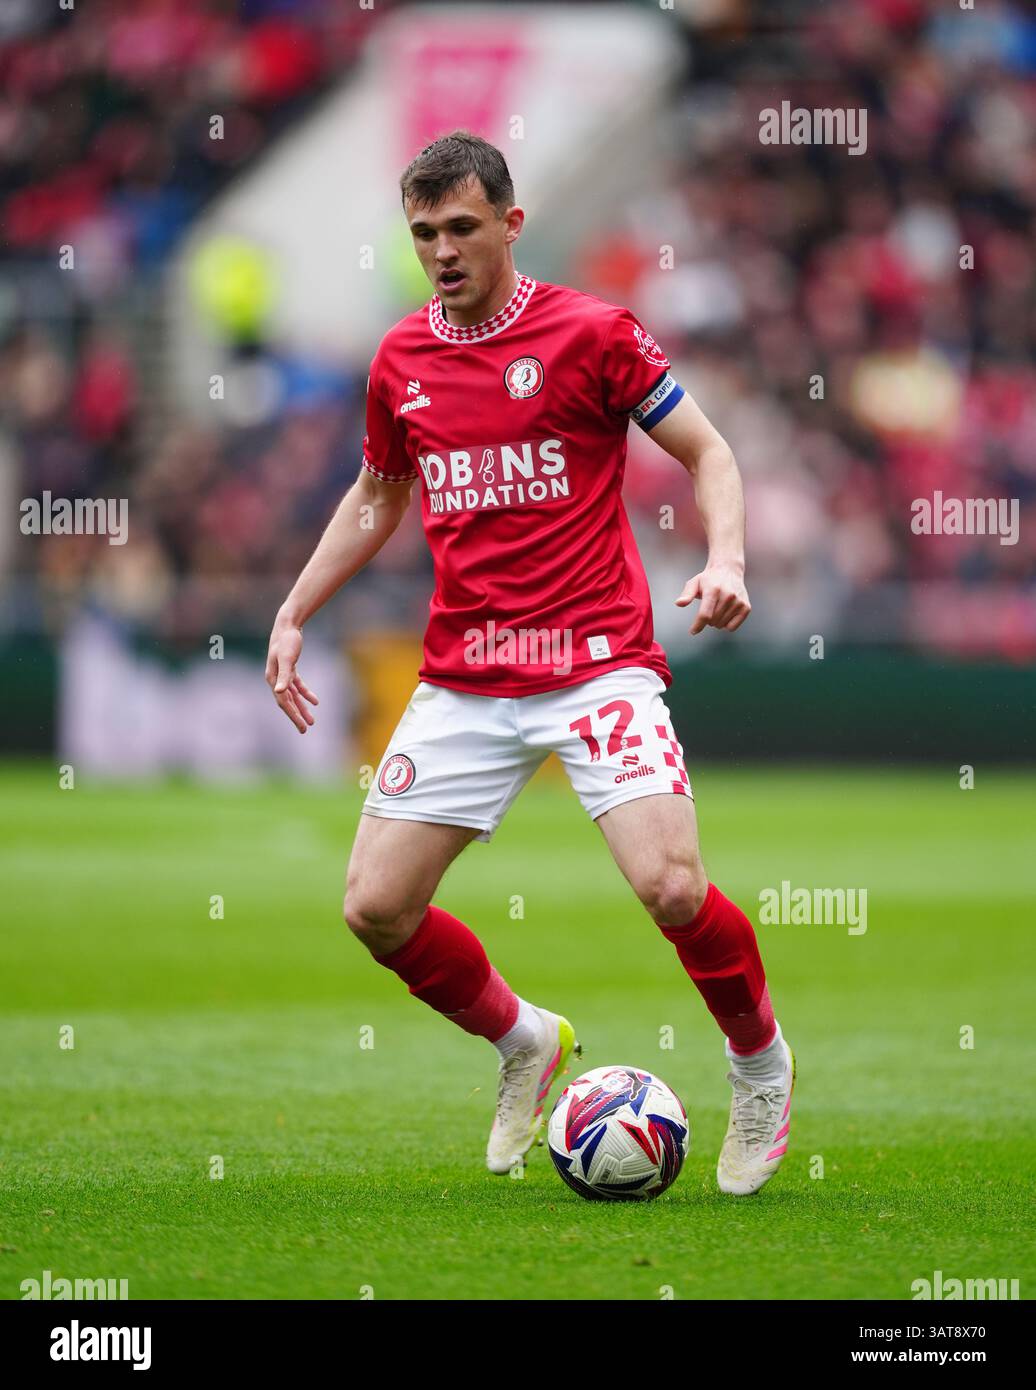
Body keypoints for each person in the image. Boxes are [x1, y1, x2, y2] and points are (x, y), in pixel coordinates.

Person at [266, 131, 794, 1195]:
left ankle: (761, 1068)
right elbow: (378, 494)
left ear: (510, 224)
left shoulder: (593, 333)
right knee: (374, 908)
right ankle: (521, 1041)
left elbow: (709, 451)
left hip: (596, 661)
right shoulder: (399, 359)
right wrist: (293, 608)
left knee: (671, 885)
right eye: (424, 234)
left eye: (462, 228)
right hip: (466, 676)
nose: (443, 250)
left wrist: (726, 555)